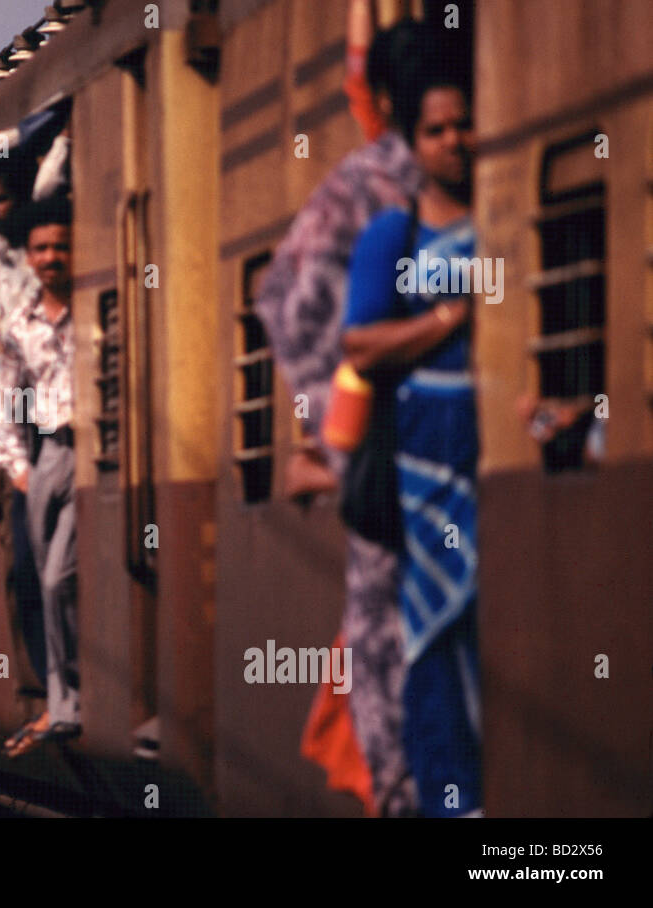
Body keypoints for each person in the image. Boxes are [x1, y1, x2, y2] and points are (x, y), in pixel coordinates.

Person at [252, 18, 435, 816]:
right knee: (392, 654)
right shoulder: (372, 187)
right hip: (396, 474)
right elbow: (290, 301)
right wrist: (348, 436)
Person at [340, 52, 480, 818]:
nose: (456, 140)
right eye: (438, 129)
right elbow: (360, 345)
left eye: (465, 125)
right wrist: (445, 322)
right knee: (432, 629)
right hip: (426, 455)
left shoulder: (499, 222)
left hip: (490, 450)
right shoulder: (395, 235)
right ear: (415, 143)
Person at [0, 197, 78, 756]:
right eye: (42, 248)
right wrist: (19, 469)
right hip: (50, 455)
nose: (52, 256)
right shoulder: (18, 324)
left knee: (62, 578)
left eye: (61, 246)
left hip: (99, 451)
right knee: (47, 579)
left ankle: (70, 702)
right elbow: (6, 400)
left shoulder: (95, 304)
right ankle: (64, 699)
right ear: (29, 255)